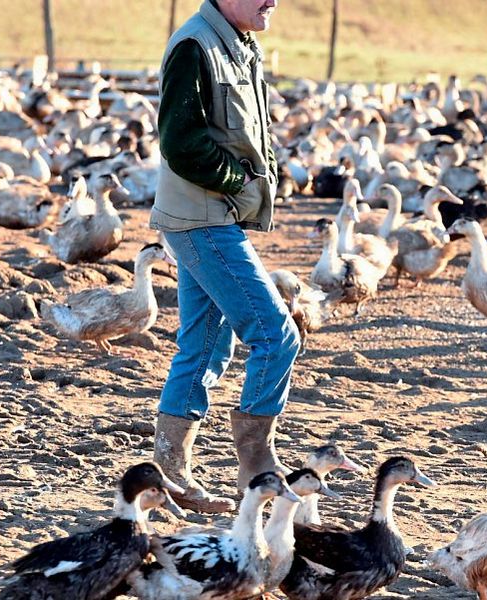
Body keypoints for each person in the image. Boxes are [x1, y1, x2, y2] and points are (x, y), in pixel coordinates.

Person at [150, 0, 297, 514]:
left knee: (206, 346)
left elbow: (250, 131)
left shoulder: (237, 42)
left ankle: (170, 474)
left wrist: (265, 177)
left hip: (213, 215)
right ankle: (255, 462)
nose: (273, 0)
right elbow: (180, 143)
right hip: (202, 217)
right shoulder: (196, 45)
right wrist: (239, 181)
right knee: (276, 335)